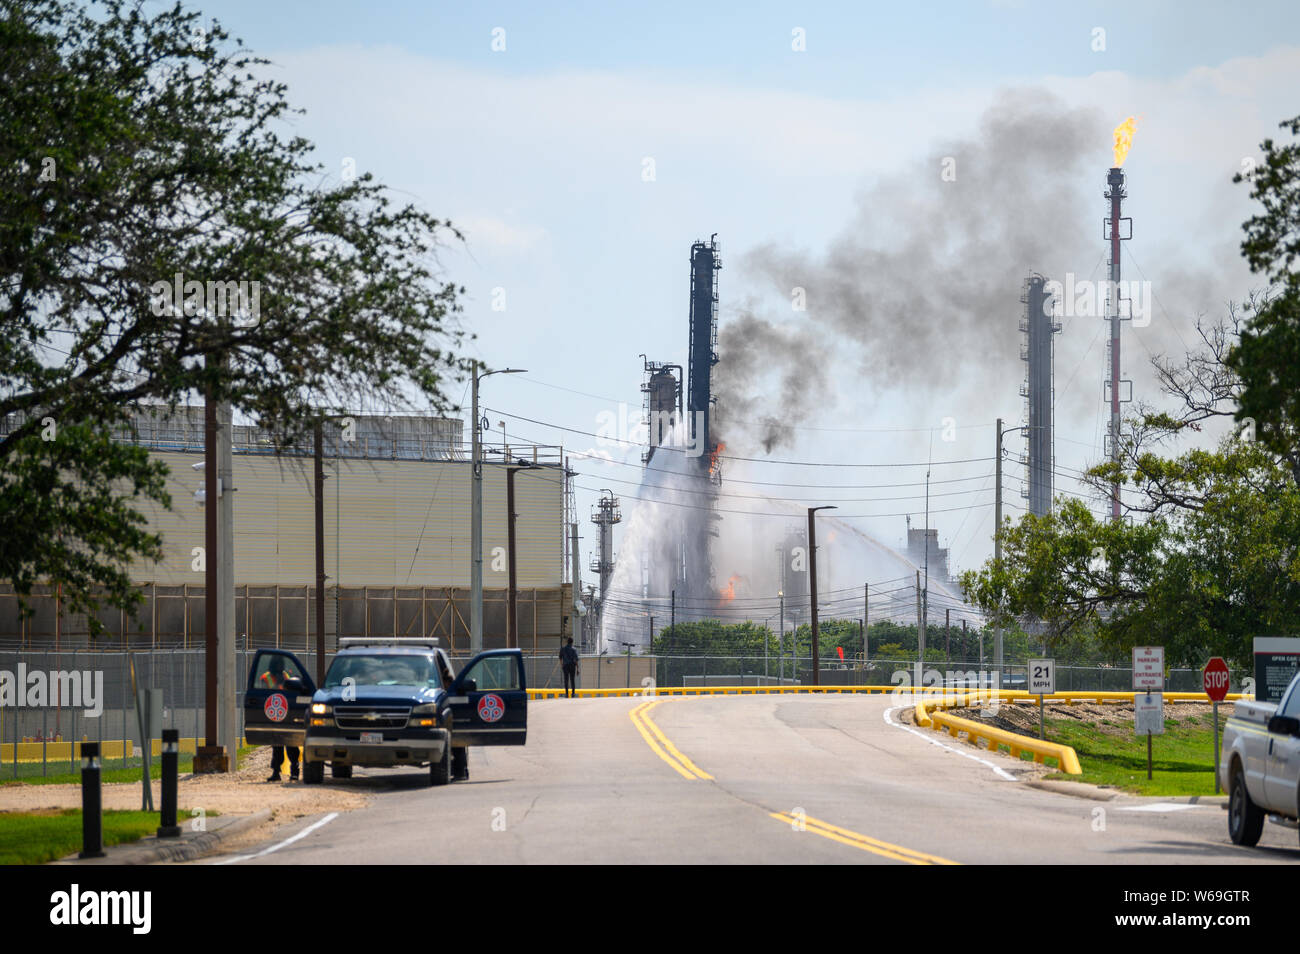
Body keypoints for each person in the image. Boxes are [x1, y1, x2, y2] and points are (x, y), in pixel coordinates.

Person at [261, 657, 299, 782]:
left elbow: (293, 691)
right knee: (277, 745)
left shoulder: (287, 676)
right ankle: (276, 772)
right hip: (274, 714)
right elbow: (264, 695)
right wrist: (278, 683)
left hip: (287, 712)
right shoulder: (265, 678)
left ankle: (294, 771)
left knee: (291, 744)